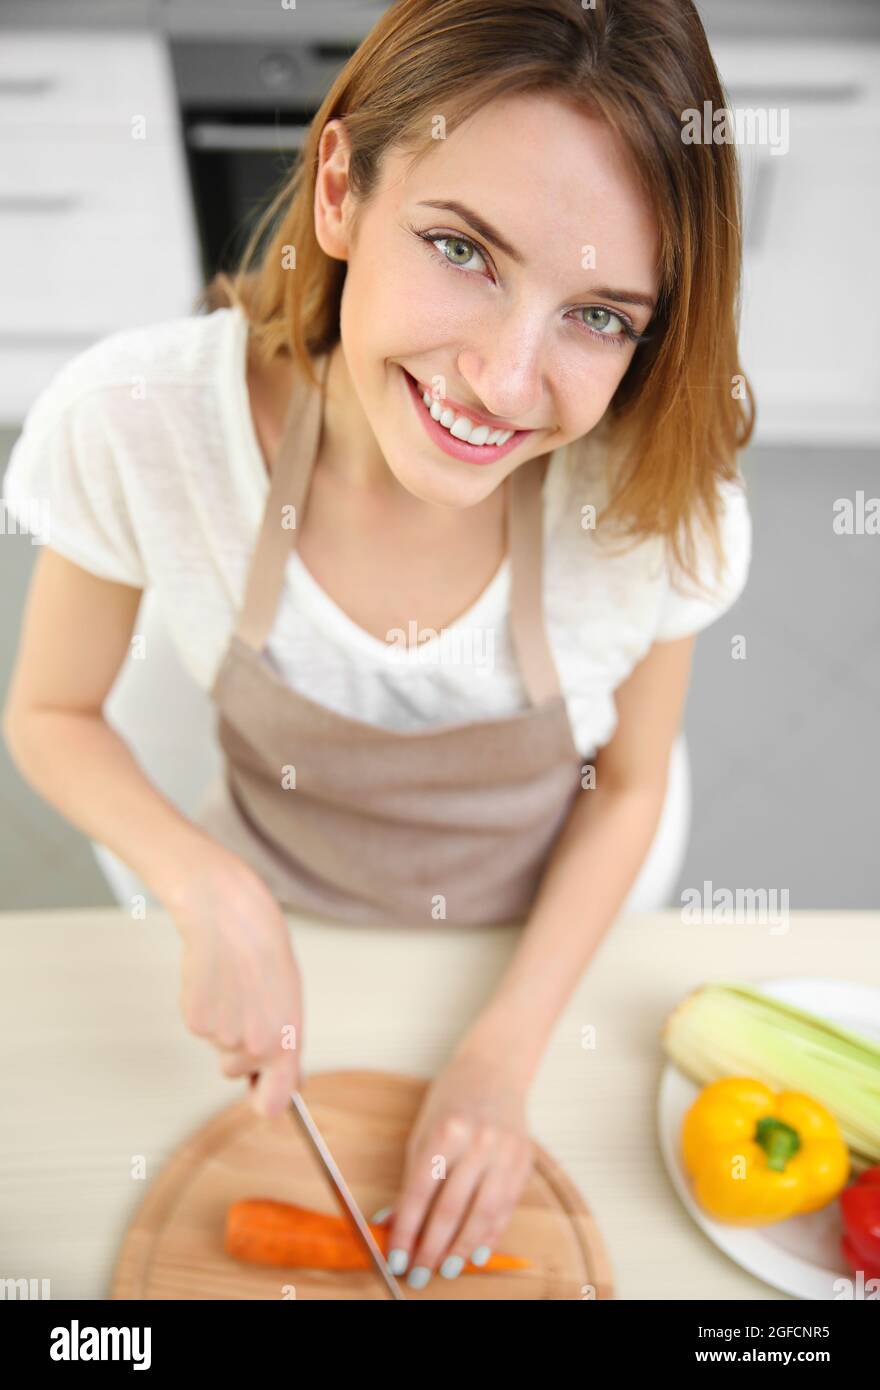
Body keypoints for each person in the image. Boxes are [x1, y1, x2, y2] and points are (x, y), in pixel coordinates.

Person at [2, 0, 753, 1290]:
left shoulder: (658, 506)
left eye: (601, 317)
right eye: (463, 249)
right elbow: (51, 716)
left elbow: (626, 786)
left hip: (532, 944)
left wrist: (504, 1055)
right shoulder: (139, 426)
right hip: (271, 917)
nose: (504, 385)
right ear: (342, 190)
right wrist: (208, 888)